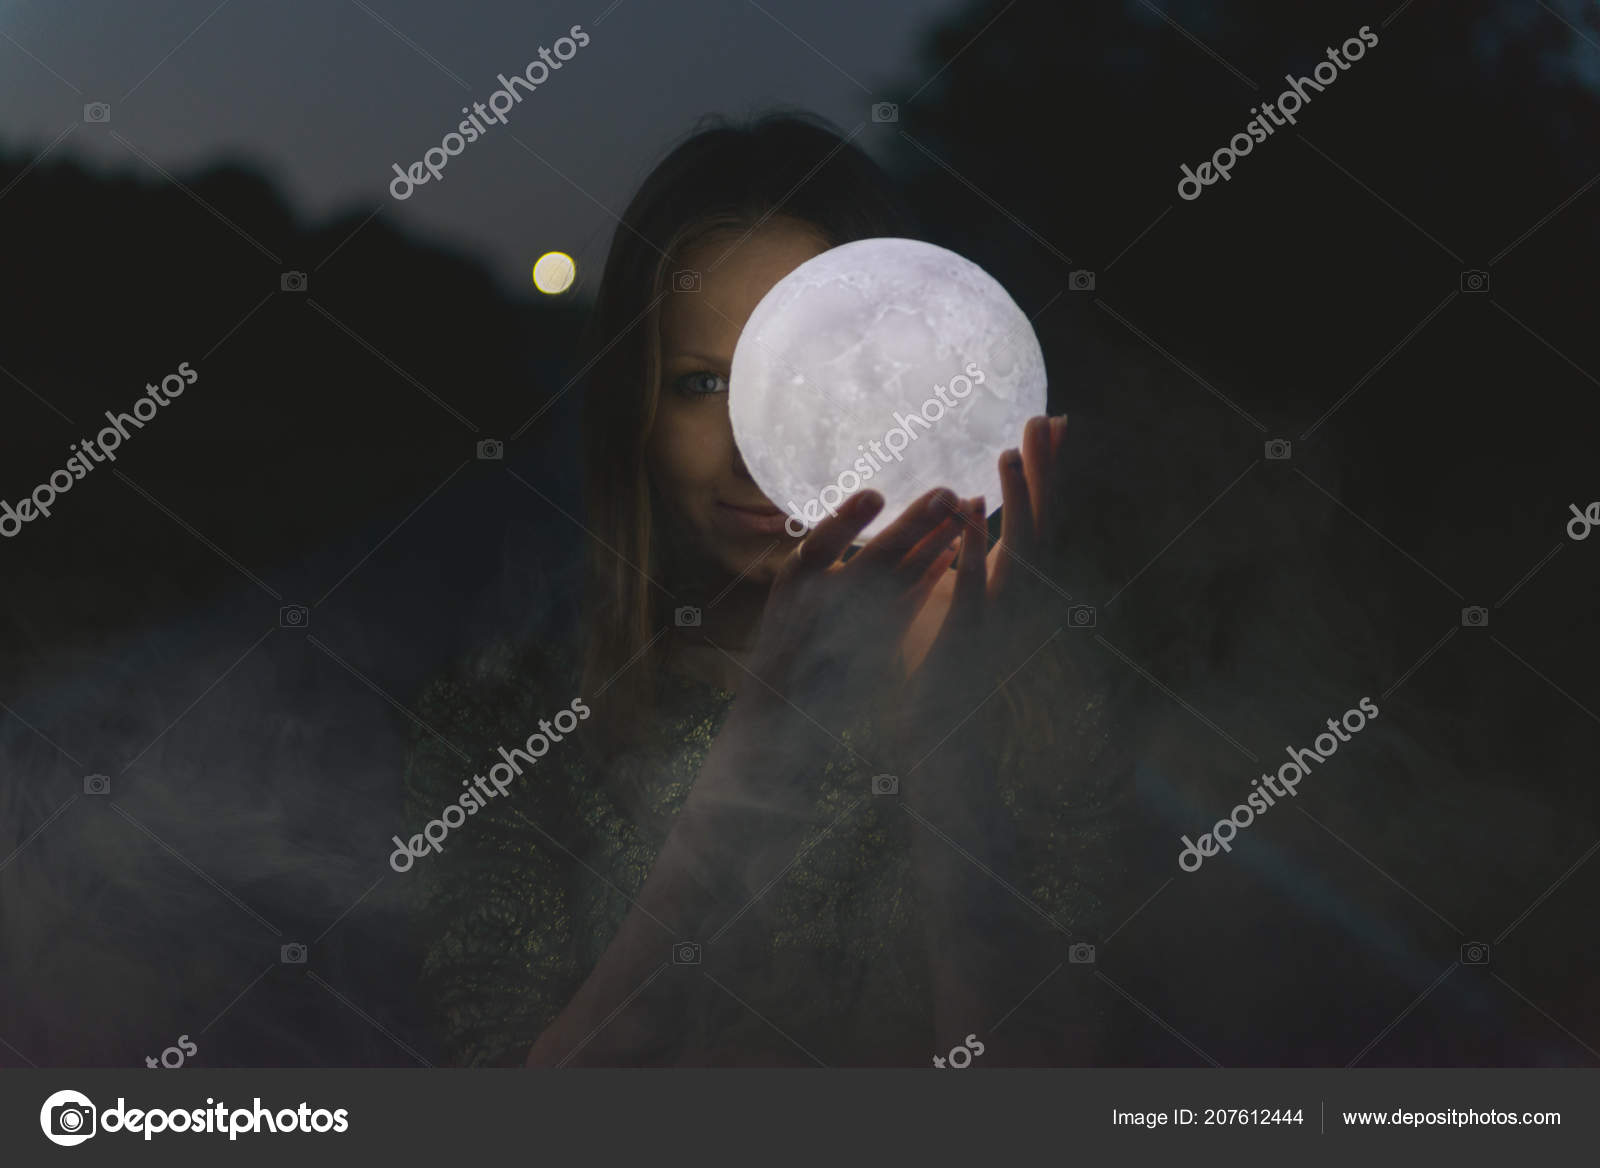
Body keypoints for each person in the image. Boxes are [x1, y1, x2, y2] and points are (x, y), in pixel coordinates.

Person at [403, 111, 1139, 1067]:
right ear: (632, 404)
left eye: (818, 381)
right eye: (704, 387)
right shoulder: (501, 718)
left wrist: (950, 744)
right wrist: (763, 747)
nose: (760, 452)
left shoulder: (1042, 714)